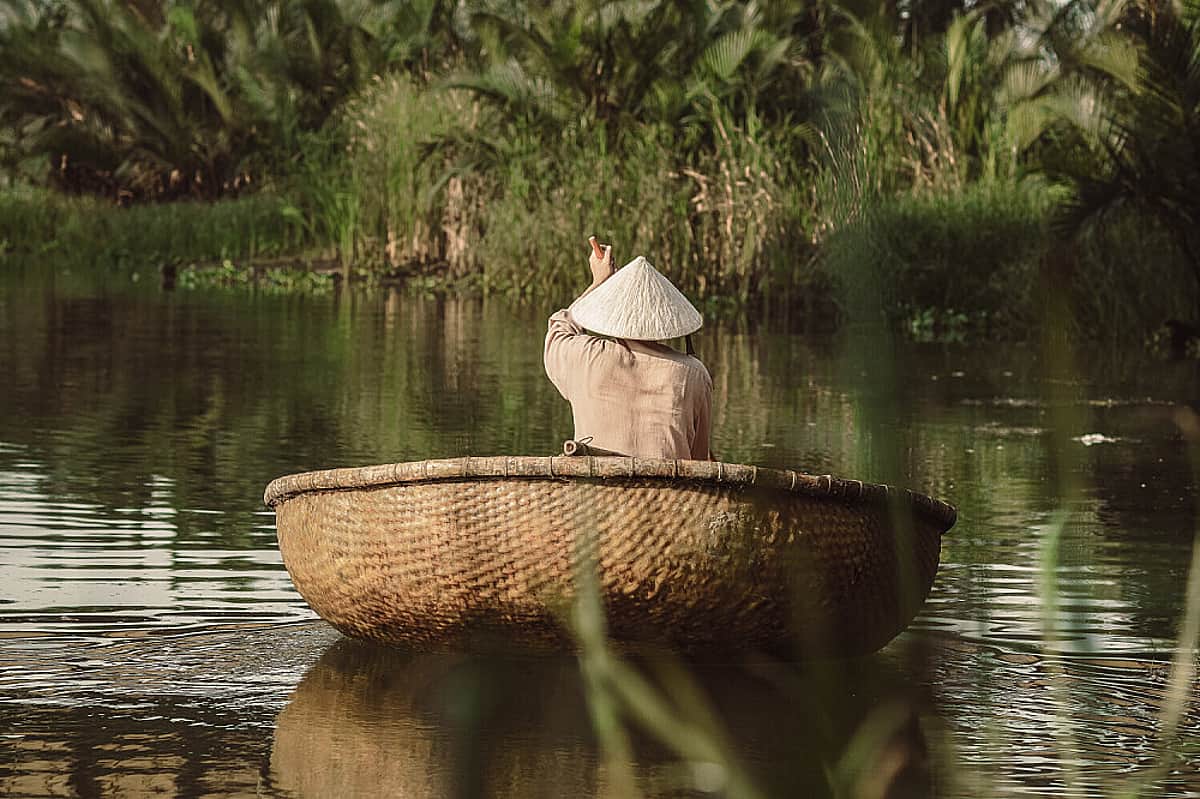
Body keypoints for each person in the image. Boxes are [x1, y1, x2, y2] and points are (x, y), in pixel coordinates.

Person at [544, 238, 713, 460]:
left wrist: (599, 283)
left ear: (613, 313)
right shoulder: (695, 374)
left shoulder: (585, 357)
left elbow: (559, 330)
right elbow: (699, 462)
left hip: (594, 491)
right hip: (668, 494)